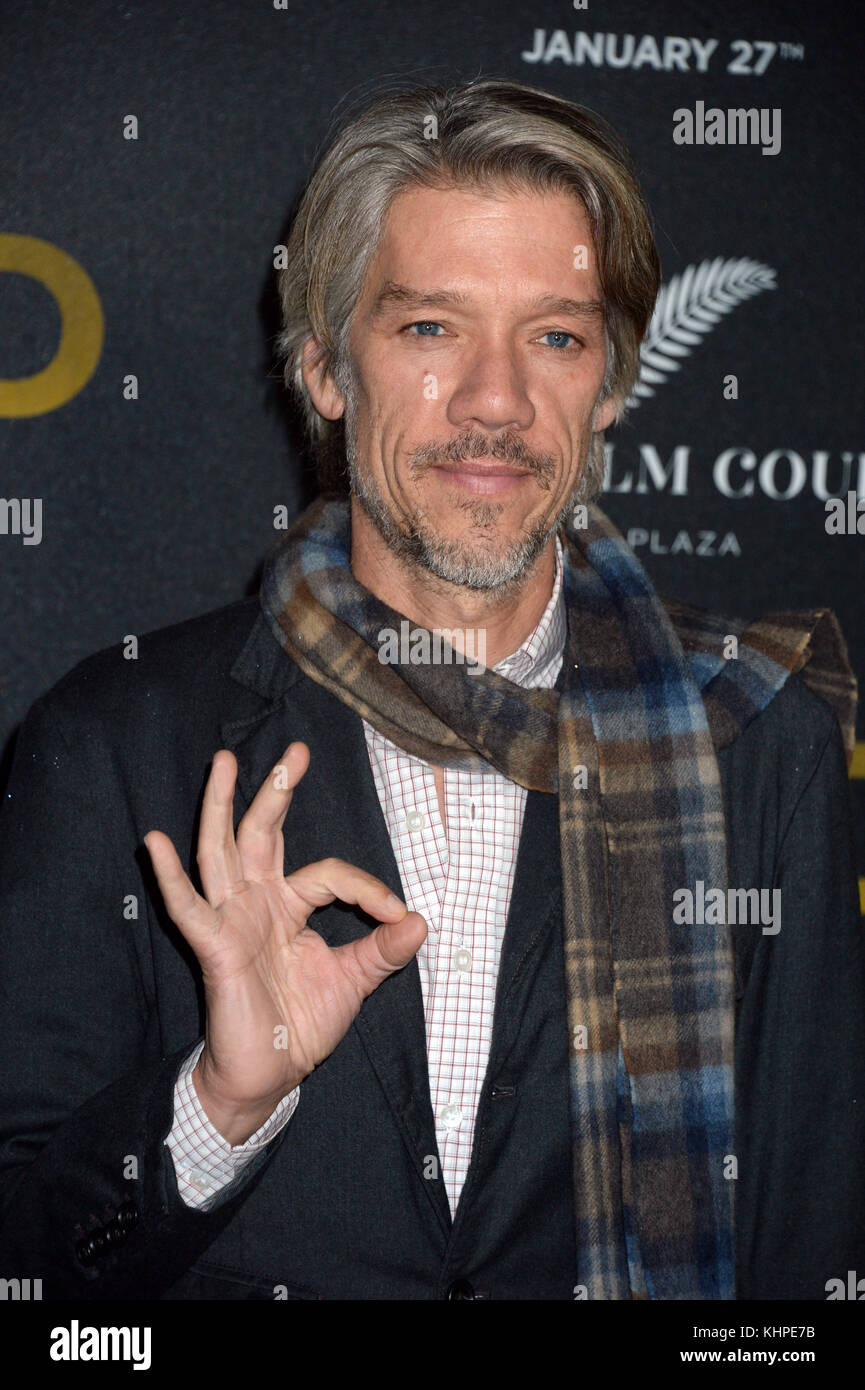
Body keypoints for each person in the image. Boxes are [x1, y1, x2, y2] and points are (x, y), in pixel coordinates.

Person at [0, 78, 862, 1301]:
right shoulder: (113, 739)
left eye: (555, 337)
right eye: (428, 330)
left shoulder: (759, 744)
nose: (495, 402)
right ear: (323, 372)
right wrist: (217, 1101)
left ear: (609, 386)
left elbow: (808, 1258)